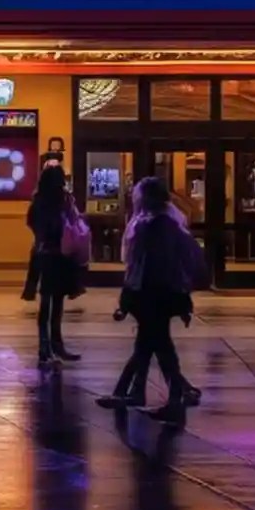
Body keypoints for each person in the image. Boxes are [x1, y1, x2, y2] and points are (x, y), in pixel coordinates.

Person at [98, 177, 205, 424]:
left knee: (156, 347)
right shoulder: (171, 223)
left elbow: (142, 267)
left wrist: (127, 298)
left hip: (152, 295)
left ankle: (169, 396)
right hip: (165, 294)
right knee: (149, 346)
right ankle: (135, 392)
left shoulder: (152, 227)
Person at [26, 165, 82, 364]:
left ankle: (44, 346)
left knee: (46, 302)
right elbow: (74, 221)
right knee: (57, 303)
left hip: (43, 254)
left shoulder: (38, 201)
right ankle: (57, 345)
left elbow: (31, 222)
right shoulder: (64, 200)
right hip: (60, 255)